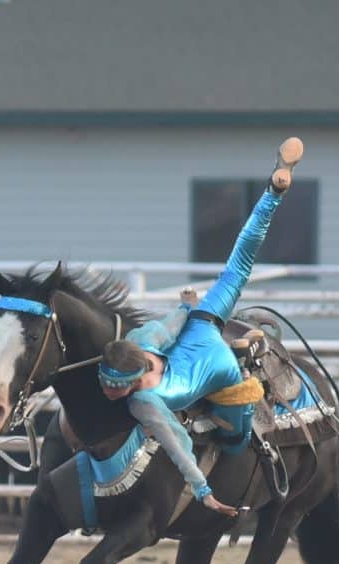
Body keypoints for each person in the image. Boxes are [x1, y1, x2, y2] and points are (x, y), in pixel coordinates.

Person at [97, 137, 304, 517]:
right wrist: (186, 307)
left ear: (136, 378)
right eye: (106, 383)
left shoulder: (145, 403)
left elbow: (177, 444)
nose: (109, 391)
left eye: (115, 386)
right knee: (239, 263)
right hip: (203, 322)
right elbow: (169, 329)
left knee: (237, 440)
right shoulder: (140, 341)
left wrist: (203, 490)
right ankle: (273, 193)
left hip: (223, 371)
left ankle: (243, 381)